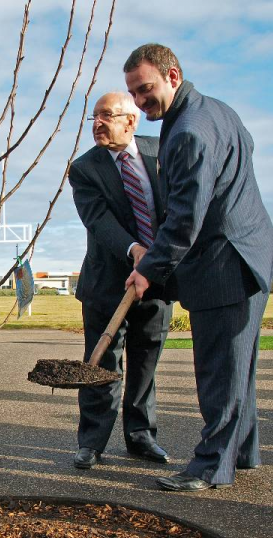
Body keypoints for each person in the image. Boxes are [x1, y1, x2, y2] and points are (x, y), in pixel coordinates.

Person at [123, 44, 273, 491]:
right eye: (133, 93)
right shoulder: (217, 111)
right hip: (252, 252)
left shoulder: (189, 131)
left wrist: (149, 269)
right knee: (239, 366)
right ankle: (242, 453)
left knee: (220, 371)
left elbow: (184, 218)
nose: (140, 101)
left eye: (146, 89)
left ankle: (212, 466)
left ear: (172, 76)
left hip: (224, 265)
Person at [68, 91, 172, 470]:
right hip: (106, 284)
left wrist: (159, 257)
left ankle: (141, 436)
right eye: (94, 117)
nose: (97, 123)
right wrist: (134, 250)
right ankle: (92, 441)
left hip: (157, 280)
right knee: (102, 365)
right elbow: (99, 220)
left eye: (106, 116)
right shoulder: (84, 168)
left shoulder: (161, 151)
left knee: (145, 363)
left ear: (131, 121)